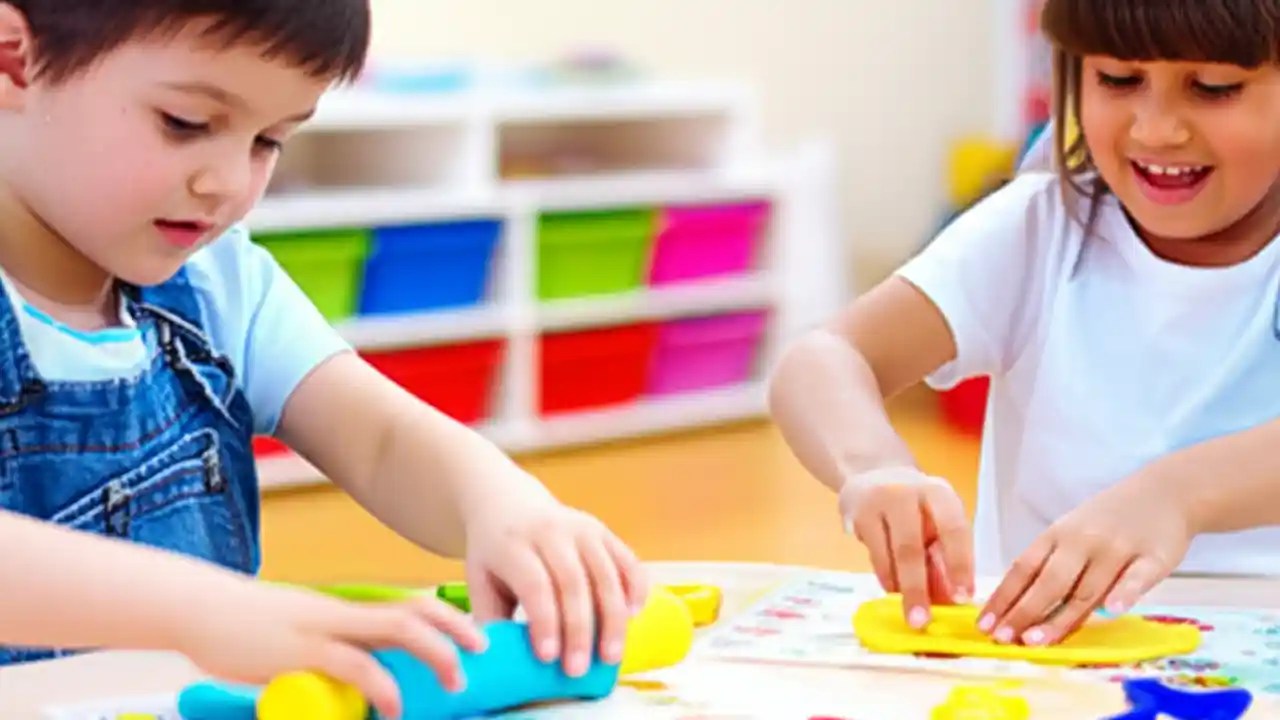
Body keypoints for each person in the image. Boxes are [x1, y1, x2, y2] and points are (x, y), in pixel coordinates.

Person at [0, 2, 646, 716]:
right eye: (185, 123)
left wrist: (500, 504)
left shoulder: (219, 285)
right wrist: (202, 612)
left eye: (268, 141)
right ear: (12, 59)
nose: (228, 185)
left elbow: (379, 440)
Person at [769, 0, 1280, 651]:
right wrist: (872, 468)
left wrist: (1177, 494)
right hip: (1049, 662)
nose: (1156, 130)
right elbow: (825, 357)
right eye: (1118, 80)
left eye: (1214, 88)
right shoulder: (1041, 229)